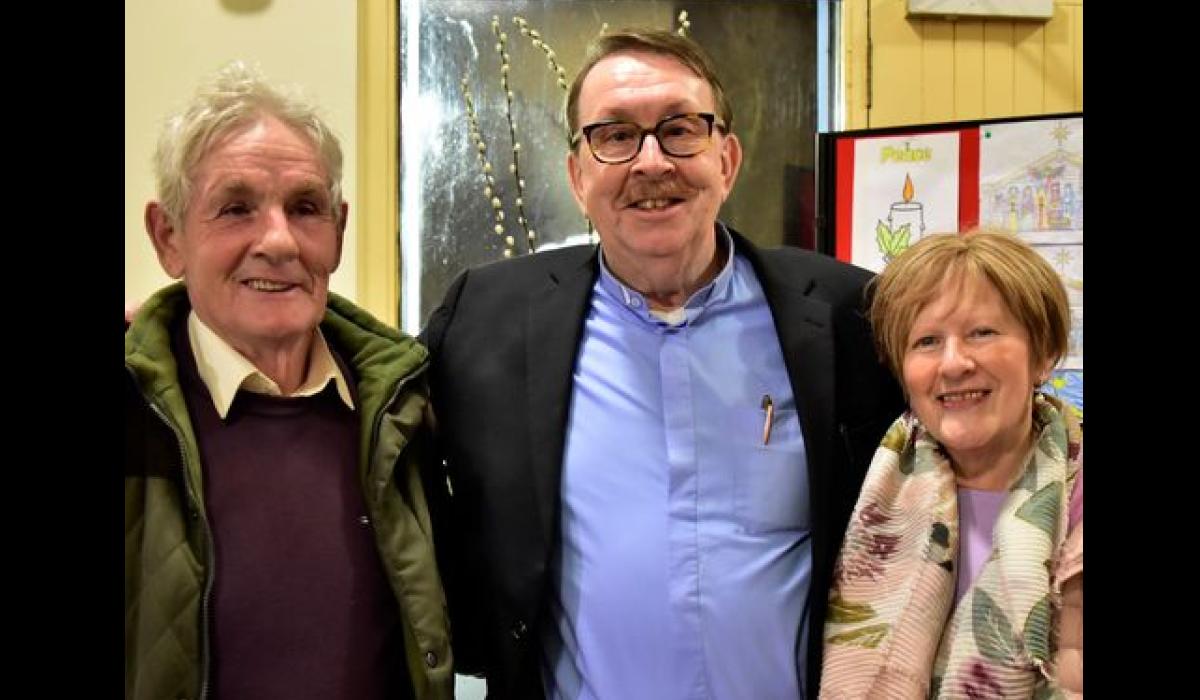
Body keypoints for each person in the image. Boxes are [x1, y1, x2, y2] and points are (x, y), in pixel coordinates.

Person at [421, 29, 903, 699]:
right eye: (614, 136)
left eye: (680, 129)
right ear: (578, 173)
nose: (651, 162)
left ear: (727, 160)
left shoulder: (848, 317)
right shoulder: (486, 320)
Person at [125, 62, 453, 700]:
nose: (278, 241)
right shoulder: (133, 410)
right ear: (169, 237)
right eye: (236, 208)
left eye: (305, 208)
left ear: (338, 232)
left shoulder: (407, 409)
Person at [820, 231, 1083, 699]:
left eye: (982, 332)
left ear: (1042, 356)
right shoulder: (861, 487)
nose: (954, 363)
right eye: (926, 341)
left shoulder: (1077, 495)